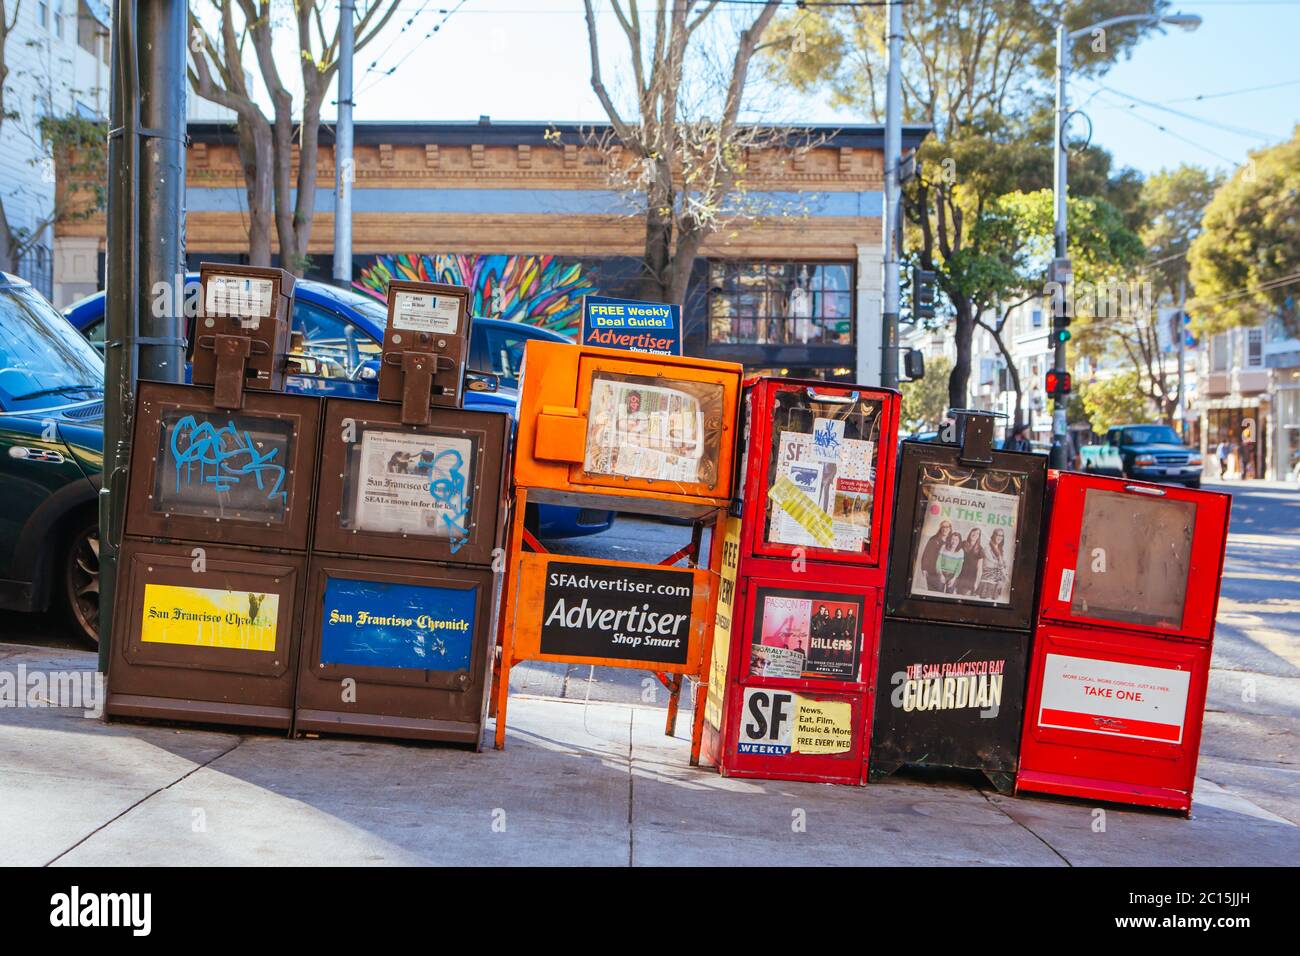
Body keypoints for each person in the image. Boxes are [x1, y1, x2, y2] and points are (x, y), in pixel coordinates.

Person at [919, 519, 952, 592]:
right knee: (933, 593)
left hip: (946, 572)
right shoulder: (933, 539)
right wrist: (924, 568)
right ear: (940, 528)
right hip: (932, 571)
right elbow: (926, 554)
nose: (945, 529)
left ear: (950, 528)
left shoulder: (952, 540)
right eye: (943, 527)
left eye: (947, 527)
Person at [976, 528, 1009, 602]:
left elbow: (1005, 566)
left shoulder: (1002, 551)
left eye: (1001, 535)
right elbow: (991, 563)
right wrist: (1002, 565)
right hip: (987, 582)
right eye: (997, 535)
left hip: (998, 583)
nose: (999, 537)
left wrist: (1003, 569)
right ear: (993, 535)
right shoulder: (987, 548)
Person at [956, 527, 984, 596]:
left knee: (964, 597)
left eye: (978, 534)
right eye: (973, 532)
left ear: (979, 537)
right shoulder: (962, 544)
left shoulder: (980, 549)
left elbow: (979, 568)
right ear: (970, 533)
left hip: (970, 579)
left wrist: (976, 583)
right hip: (958, 576)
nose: (975, 534)